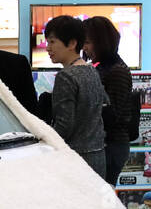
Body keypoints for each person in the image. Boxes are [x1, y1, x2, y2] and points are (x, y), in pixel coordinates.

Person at [42, 15, 106, 176]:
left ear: (72, 43)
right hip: (98, 155)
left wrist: (45, 140)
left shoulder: (66, 76)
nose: (47, 48)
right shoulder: (92, 71)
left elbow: (64, 125)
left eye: (52, 42)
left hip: (75, 158)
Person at [83, 15, 133, 185]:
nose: (84, 48)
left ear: (100, 42)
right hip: (103, 144)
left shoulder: (116, 70)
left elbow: (112, 114)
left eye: (88, 42)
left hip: (111, 145)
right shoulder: (100, 67)